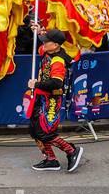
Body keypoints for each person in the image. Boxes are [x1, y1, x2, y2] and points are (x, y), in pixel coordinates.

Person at [28, 29, 82, 173]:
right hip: (41, 98)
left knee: (45, 132)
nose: (43, 43)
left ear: (56, 45)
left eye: (47, 41)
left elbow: (56, 83)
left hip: (51, 99)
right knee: (34, 130)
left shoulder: (58, 60)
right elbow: (37, 45)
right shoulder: (47, 51)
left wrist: (36, 84)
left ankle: (71, 150)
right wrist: (37, 31)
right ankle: (51, 159)